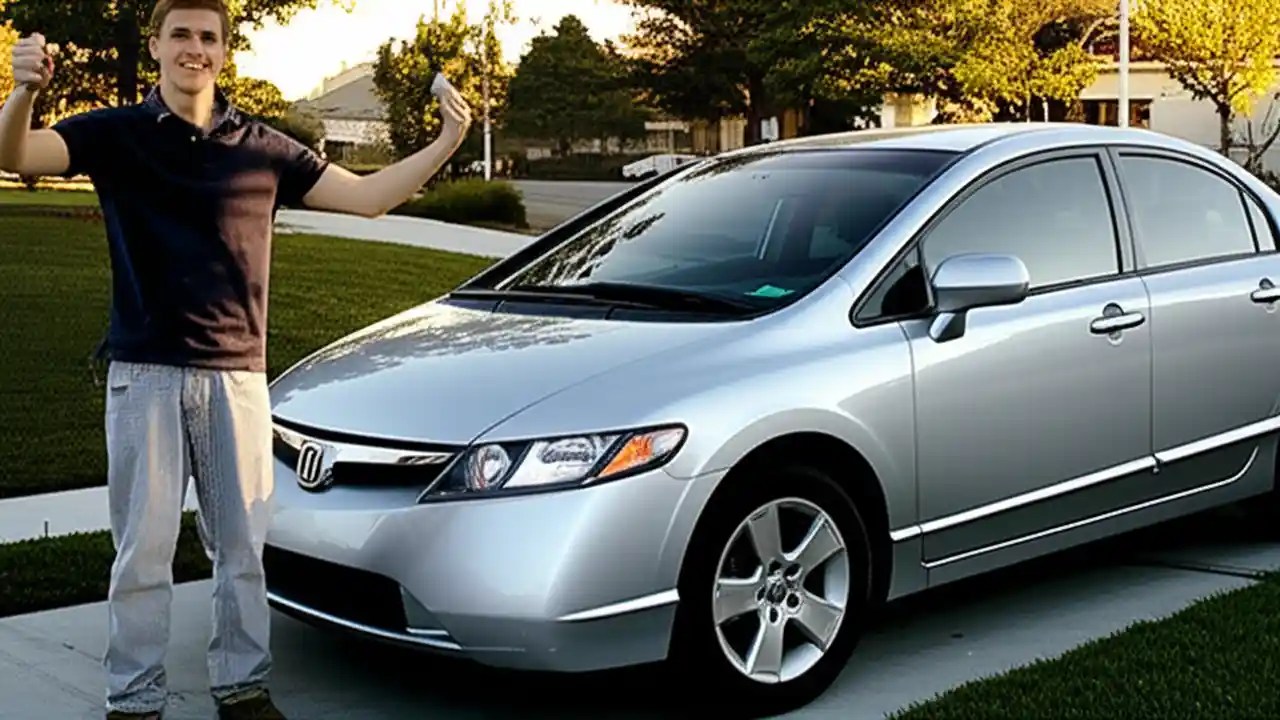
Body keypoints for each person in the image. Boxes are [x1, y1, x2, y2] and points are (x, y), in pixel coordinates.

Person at [0, 0, 472, 718]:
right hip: (146, 374)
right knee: (142, 555)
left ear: (224, 52)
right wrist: (24, 92)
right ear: (155, 45)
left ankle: (242, 689)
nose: (194, 48)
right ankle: (133, 700)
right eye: (180, 35)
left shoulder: (263, 148)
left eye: (208, 37)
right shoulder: (114, 133)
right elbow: (17, 156)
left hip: (237, 378)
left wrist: (447, 139)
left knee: (243, 551)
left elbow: (369, 197)